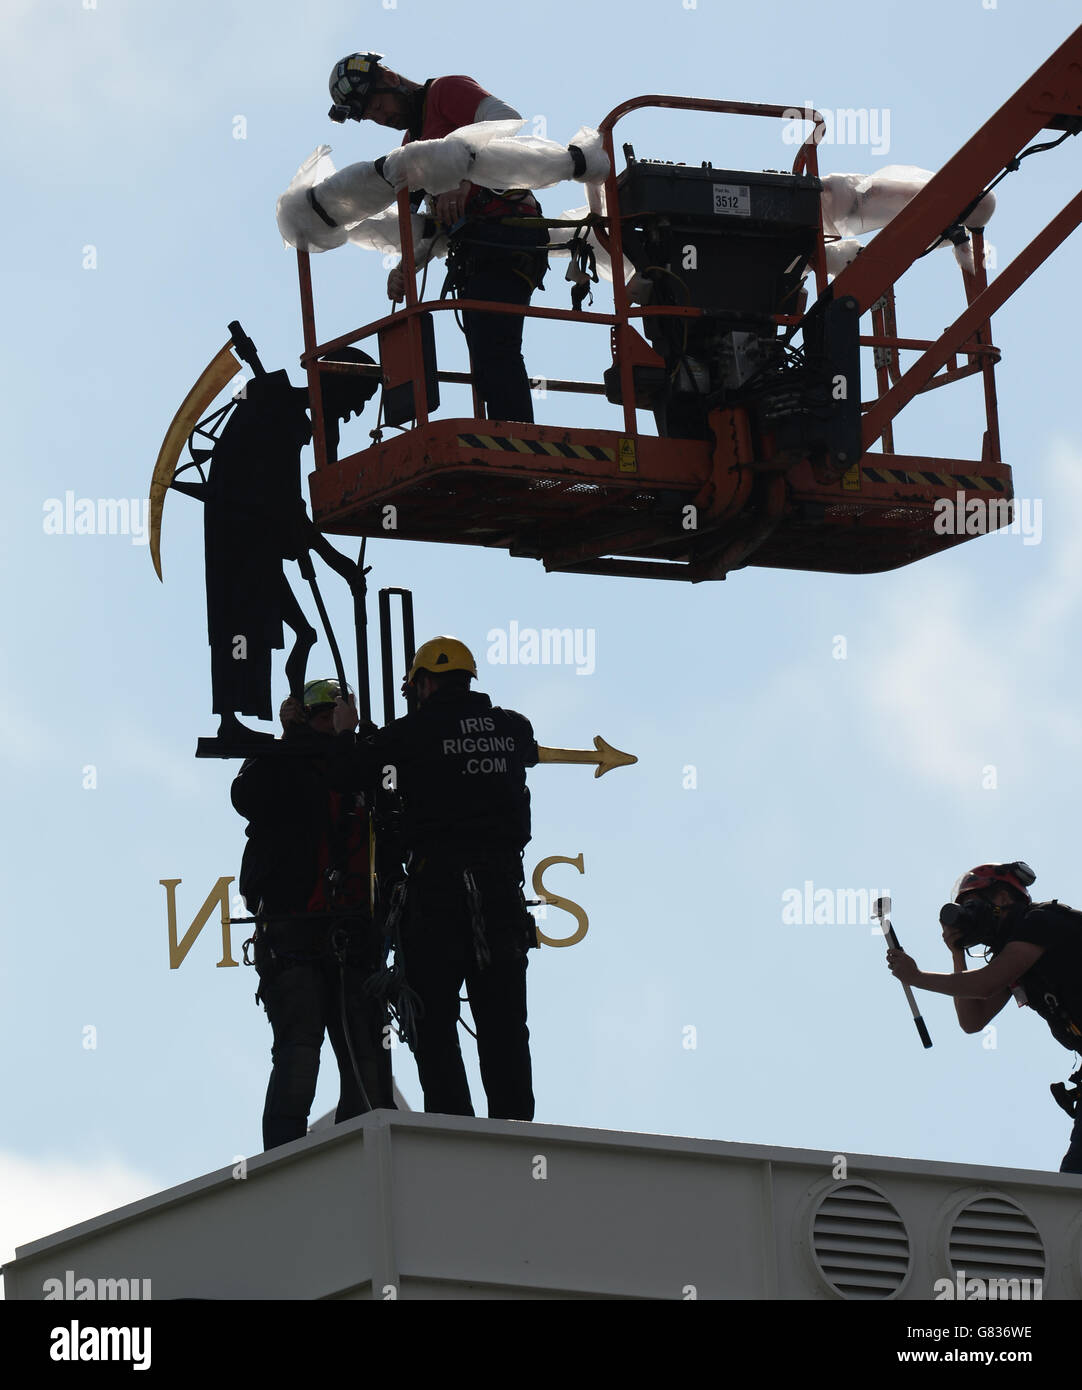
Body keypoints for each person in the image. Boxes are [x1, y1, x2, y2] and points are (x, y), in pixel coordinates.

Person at [336, 636, 540, 1120]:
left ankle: (454, 1130)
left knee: (433, 1022)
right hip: (500, 899)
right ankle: (515, 1130)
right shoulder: (511, 726)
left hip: (438, 897)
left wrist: (348, 732)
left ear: (424, 683)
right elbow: (527, 754)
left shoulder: (412, 733)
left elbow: (350, 771)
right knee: (504, 1022)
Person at [327, 51, 549, 423]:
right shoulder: (411, 148)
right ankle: (508, 440)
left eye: (379, 105)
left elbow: (507, 122)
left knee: (494, 347)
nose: (383, 118)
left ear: (392, 78)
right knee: (485, 352)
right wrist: (406, 266)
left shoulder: (446, 92)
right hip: (476, 249)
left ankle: (516, 444)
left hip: (510, 234)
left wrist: (465, 183)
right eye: (373, 117)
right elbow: (429, 225)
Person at [231, 678, 395, 1150]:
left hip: (355, 935)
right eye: (322, 717)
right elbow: (248, 796)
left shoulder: (363, 762)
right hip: (295, 934)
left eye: (336, 718)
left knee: (367, 1066)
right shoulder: (282, 763)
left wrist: (352, 740)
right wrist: (294, 739)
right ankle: (282, 1167)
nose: (331, 725)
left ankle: (358, 1162)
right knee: (299, 1055)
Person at [887, 861, 1082, 1174]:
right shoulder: (1012, 956)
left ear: (1003, 898)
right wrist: (957, 953)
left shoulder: (1040, 922)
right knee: (1074, 1188)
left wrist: (917, 976)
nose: (967, 916)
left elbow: (984, 984)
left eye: (972, 906)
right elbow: (972, 1020)